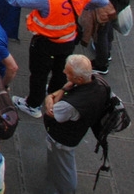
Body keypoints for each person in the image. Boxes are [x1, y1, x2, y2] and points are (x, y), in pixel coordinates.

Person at [0, 0, 109, 118]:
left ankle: (33, 105)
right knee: (60, 72)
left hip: (45, 43)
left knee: (39, 74)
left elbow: (16, 0)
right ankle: (54, 95)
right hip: (68, 41)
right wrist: (86, 7)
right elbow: (103, 1)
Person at [42, 54, 112, 194]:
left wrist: (51, 96)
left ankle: (67, 190)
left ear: (79, 79)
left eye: (68, 73)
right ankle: (52, 178)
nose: (64, 73)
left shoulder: (68, 106)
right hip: (79, 129)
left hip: (63, 138)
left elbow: (51, 111)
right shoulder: (99, 83)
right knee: (58, 161)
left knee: (66, 168)